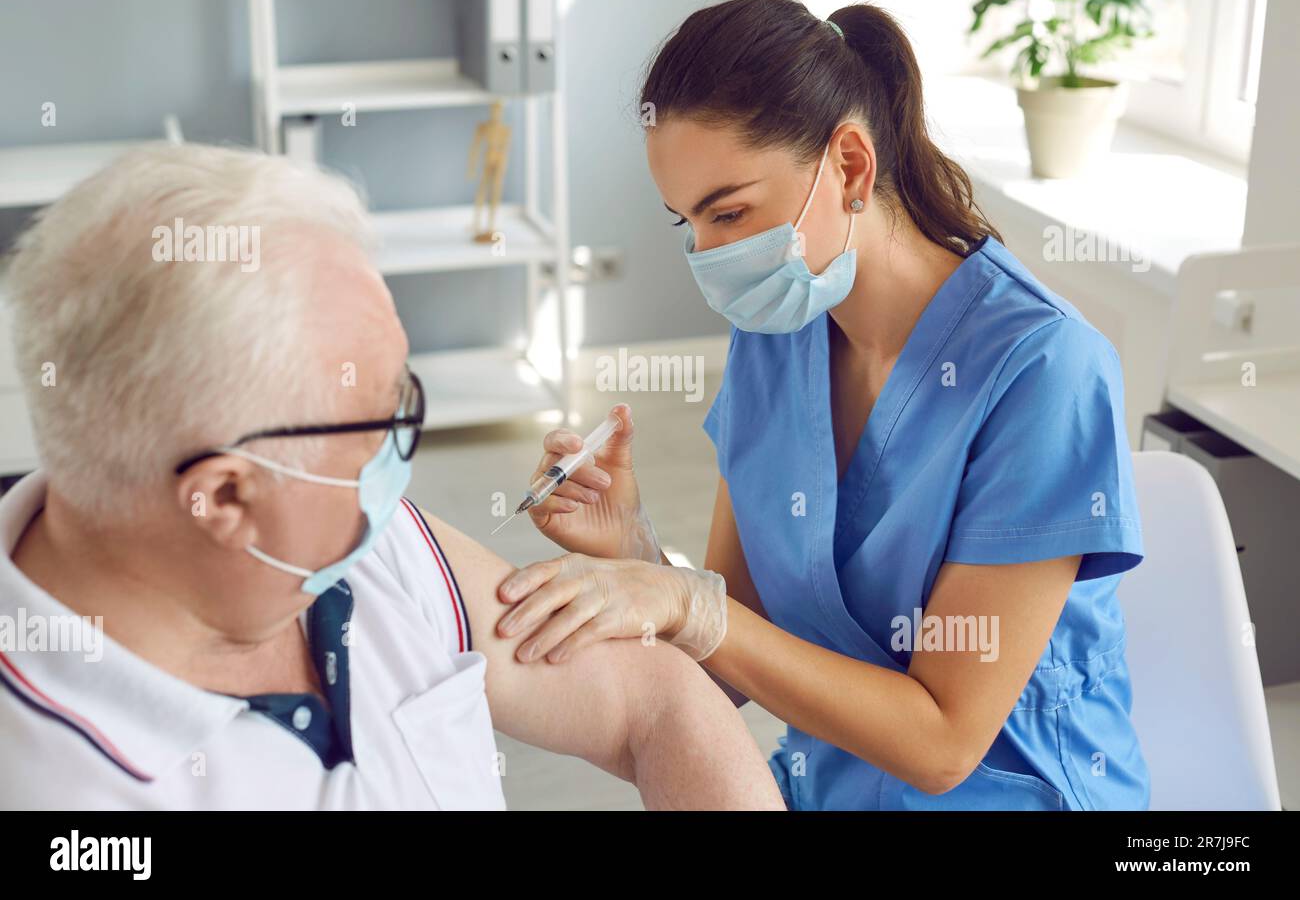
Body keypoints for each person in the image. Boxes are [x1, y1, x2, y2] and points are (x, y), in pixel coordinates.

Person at [496, 0, 1149, 811]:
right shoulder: (778, 331)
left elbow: (943, 744)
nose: (710, 255)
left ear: (849, 165)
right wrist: (637, 554)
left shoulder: (1042, 370)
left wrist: (689, 607)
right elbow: (731, 651)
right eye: (689, 223)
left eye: (730, 211)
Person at [0, 143, 783, 810]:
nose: (396, 459)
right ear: (229, 495)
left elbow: (658, 701)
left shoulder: (351, 544)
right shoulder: (61, 787)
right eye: (379, 421)